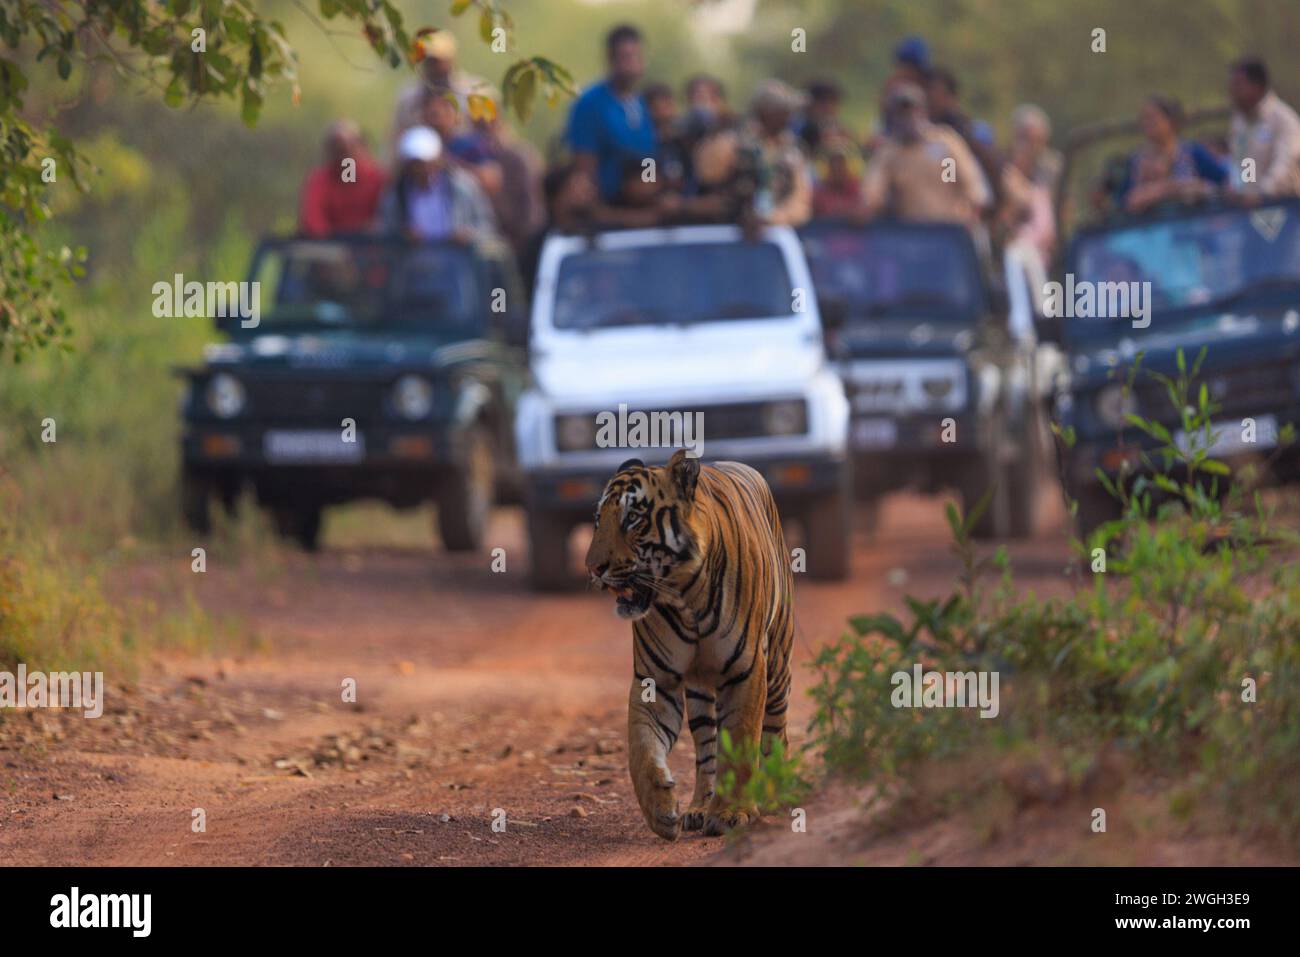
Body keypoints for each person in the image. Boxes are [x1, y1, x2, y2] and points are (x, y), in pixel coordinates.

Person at [862, 82, 991, 226]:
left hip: (949, 230)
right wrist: (872, 204)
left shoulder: (945, 143)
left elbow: (971, 184)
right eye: (902, 112)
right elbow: (872, 193)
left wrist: (971, 210)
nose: (908, 117)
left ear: (923, 111)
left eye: (912, 110)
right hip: (912, 233)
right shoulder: (890, 152)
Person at [565, 24, 657, 202]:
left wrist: (650, 189)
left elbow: (649, 155)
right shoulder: (589, 103)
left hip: (644, 206)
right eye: (626, 57)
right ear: (611, 59)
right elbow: (584, 165)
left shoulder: (642, 103)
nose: (632, 65)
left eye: (637, 56)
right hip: (609, 209)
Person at [377, 126, 498, 243]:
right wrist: (403, 236)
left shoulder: (463, 187)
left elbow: (487, 225)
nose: (424, 169)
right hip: (413, 261)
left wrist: (469, 234)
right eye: (417, 164)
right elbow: (386, 231)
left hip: (459, 259)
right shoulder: (396, 194)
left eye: (428, 163)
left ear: (438, 160)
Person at [1118, 96, 1227, 214]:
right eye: (1145, 118)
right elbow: (1126, 201)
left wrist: (1164, 189)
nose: (1148, 123)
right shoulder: (1136, 160)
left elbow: (1222, 182)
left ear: (1171, 120)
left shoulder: (1192, 152)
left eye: (1153, 118)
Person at [926, 66, 1003, 208]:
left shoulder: (958, 133)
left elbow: (949, 173)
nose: (932, 100)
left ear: (950, 98)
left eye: (936, 94)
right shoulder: (923, 129)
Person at [391, 29, 485, 145]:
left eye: (438, 60)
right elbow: (396, 136)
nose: (434, 65)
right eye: (429, 59)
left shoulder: (474, 93)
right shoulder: (409, 97)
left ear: (451, 59)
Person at [1227, 57, 1300, 201]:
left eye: (1238, 86)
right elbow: (1241, 162)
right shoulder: (1240, 122)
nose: (1232, 92)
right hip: (1247, 209)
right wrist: (1238, 187)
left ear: (1257, 87)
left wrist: (1261, 193)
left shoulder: (1284, 120)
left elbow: (1284, 164)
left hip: (1287, 208)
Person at [298, 120, 386, 237]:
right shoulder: (320, 180)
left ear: (361, 147)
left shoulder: (377, 178)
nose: (344, 155)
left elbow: (386, 220)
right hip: (330, 249)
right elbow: (313, 221)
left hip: (371, 249)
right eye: (337, 149)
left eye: (348, 148)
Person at [746, 79, 813, 226]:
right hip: (737, 233)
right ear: (763, 113)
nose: (788, 117)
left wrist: (771, 219)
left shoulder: (794, 148)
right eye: (781, 111)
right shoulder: (741, 144)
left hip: (781, 233)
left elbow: (801, 200)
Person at [812, 142, 868, 219]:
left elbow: (862, 211)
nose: (837, 168)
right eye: (833, 164)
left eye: (841, 163)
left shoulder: (857, 187)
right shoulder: (819, 191)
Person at [798, 79, 846, 156]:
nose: (830, 108)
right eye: (823, 102)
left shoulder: (838, 128)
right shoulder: (799, 127)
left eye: (834, 102)